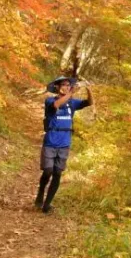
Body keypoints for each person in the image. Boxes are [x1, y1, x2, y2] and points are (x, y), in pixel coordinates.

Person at [35, 76, 92, 213]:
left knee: (57, 173)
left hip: (65, 142)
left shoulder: (72, 103)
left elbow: (89, 102)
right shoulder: (50, 100)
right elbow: (56, 105)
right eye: (63, 85)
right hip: (51, 141)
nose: (66, 87)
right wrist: (72, 92)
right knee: (48, 170)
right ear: (57, 87)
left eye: (68, 85)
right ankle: (41, 191)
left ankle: (47, 205)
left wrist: (89, 89)